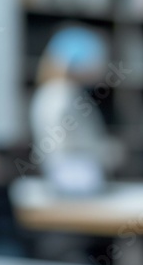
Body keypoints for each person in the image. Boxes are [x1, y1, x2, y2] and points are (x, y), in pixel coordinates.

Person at [30, 26, 123, 195]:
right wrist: (105, 150)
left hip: (72, 181)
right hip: (73, 182)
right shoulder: (60, 95)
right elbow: (64, 143)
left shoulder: (62, 92)